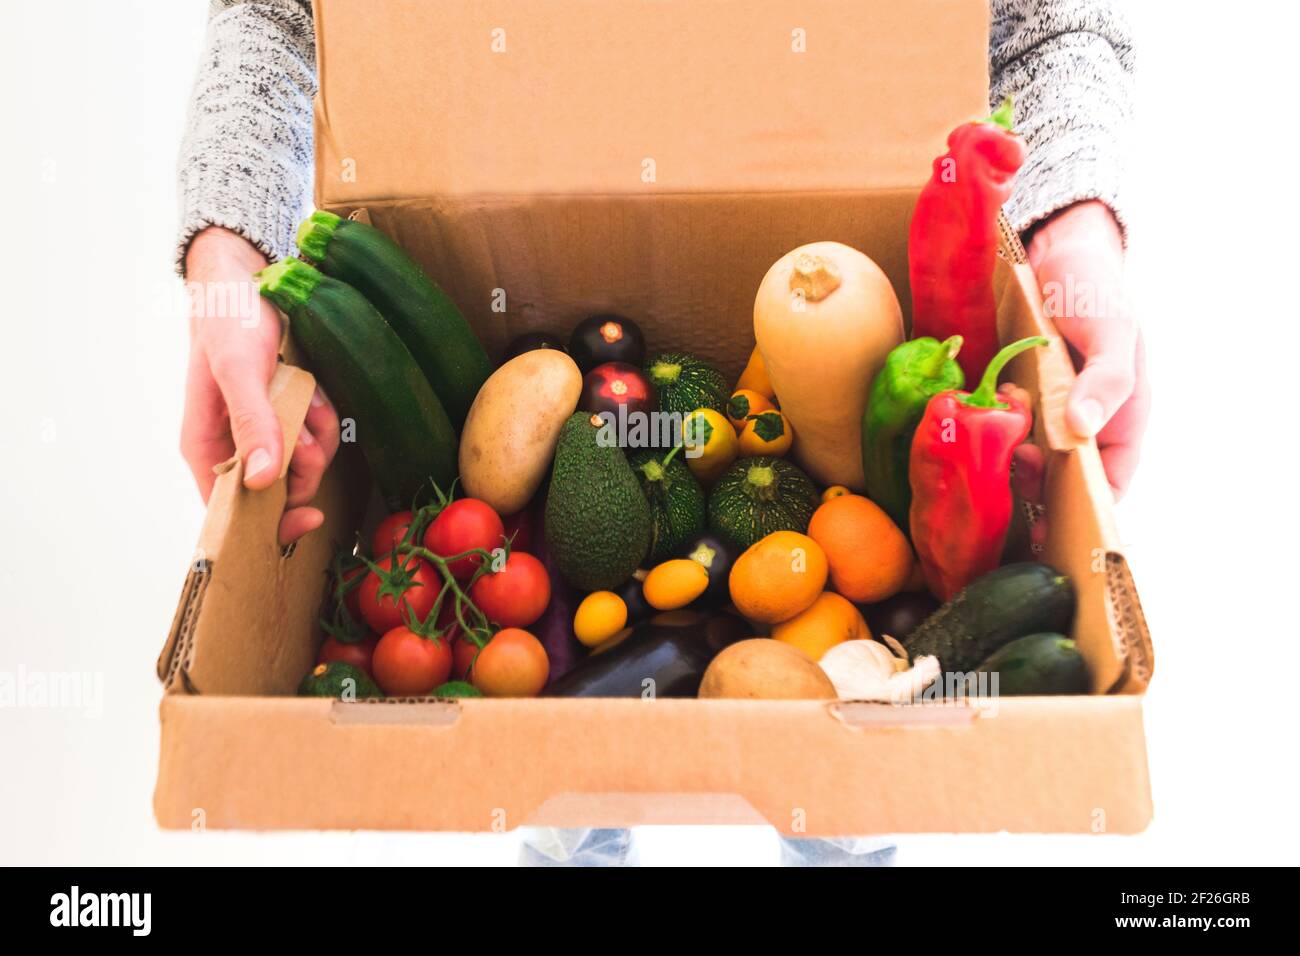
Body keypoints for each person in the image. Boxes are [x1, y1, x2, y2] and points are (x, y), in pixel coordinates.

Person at [176, 0, 1145, 866]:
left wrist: (1070, 227)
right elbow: (274, 11)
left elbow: (1046, 22)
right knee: (561, 791)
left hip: (794, 575)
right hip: (596, 605)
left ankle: (836, 831)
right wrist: (232, 250)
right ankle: (578, 832)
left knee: (851, 789)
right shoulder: (620, 474)